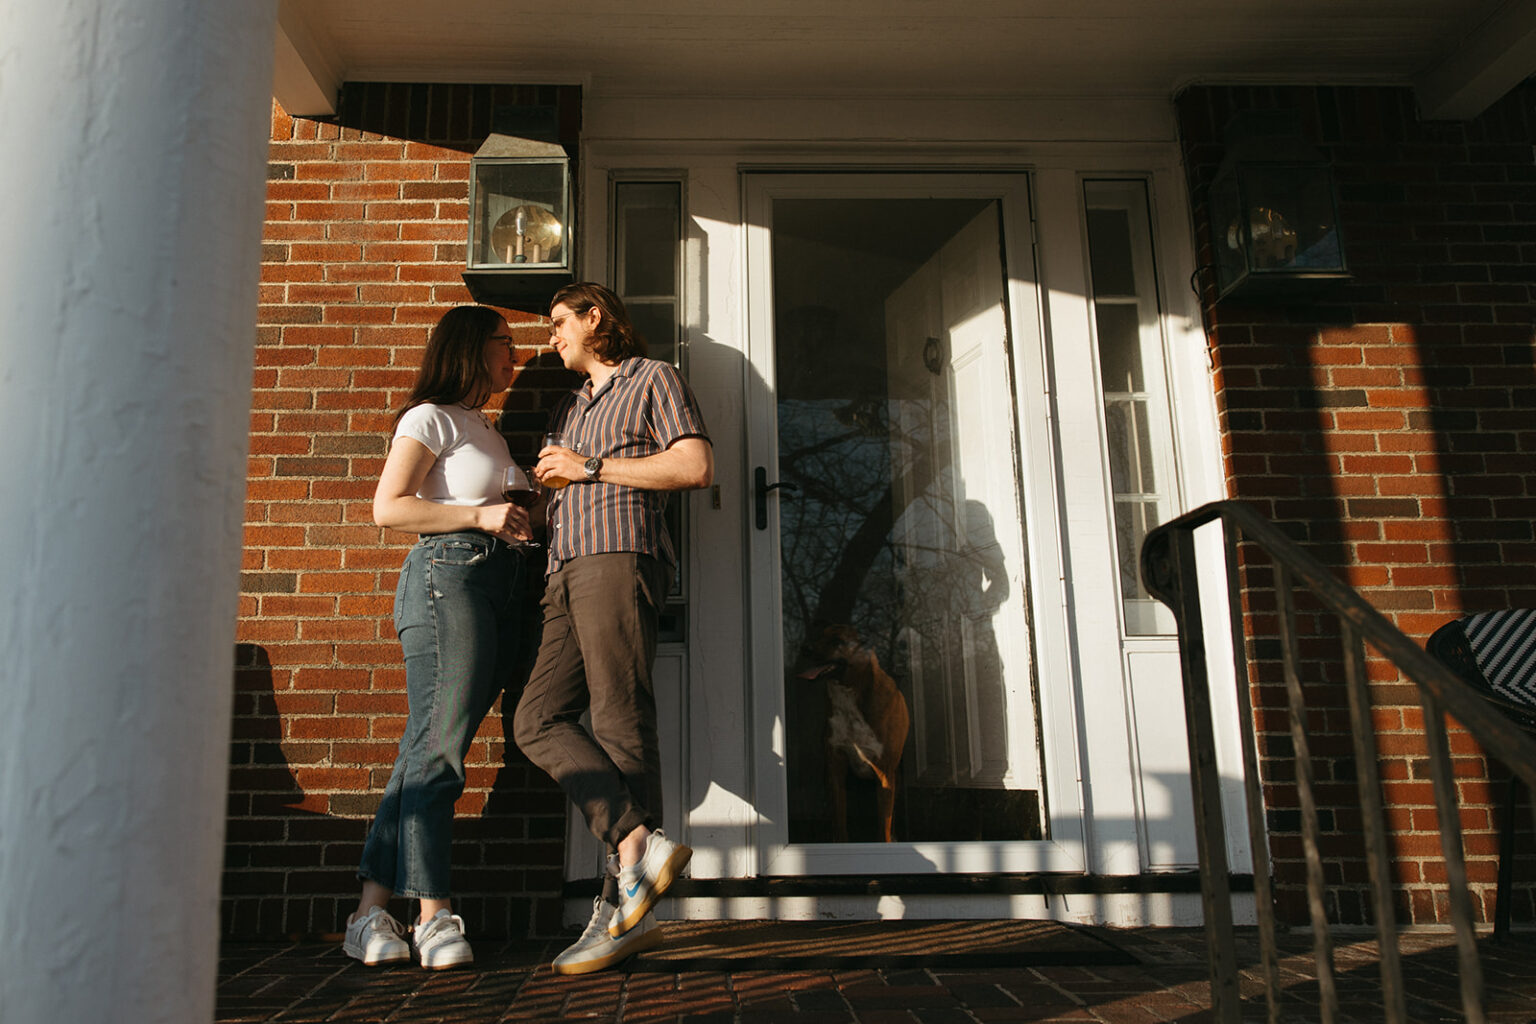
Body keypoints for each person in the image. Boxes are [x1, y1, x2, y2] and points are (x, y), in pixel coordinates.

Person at [513, 282, 713, 975]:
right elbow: (556, 491)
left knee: (621, 719)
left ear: (595, 317)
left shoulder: (652, 379)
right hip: (562, 569)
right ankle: (636, 845)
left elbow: (694, 465)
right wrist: (523, 514)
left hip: (618, 555)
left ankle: (621, 903)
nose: (551, 338)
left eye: (559, 323)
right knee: (537, 719)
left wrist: (590, 466)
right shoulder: (566, 409)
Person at [343, 305, 533, 970]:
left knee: (427, 746)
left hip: (497, 589)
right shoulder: (431, 418)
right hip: (449, 579)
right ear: (473, 348)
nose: (518, 356)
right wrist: (483, 513)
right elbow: (388, 508)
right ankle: (430, 914)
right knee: (440, 749)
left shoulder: (487, 429)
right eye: (507, 344)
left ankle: (370, 912)